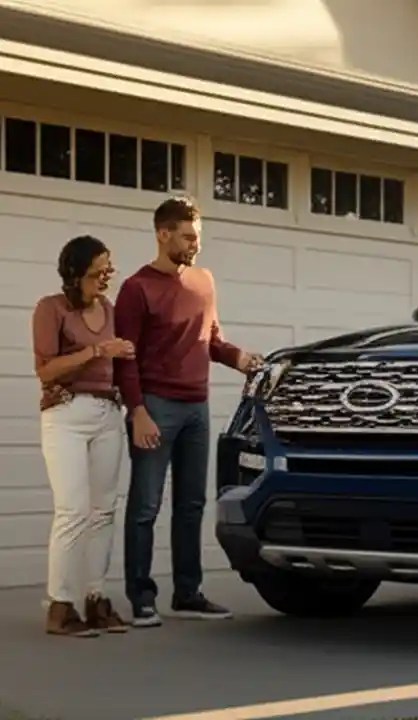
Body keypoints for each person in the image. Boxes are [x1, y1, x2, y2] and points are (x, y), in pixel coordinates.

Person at [114, 196, 263, 627]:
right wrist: (137, 411)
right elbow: (126, 359)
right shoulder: (136, 289)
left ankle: (188, 593)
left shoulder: (203, 281)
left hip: (197, 406)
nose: (195, 245)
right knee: (145, 505)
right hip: (156, 407)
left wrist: (239, 358)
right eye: (187, 237)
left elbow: (211, 339)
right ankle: (142, 598)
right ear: (162, 234)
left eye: (198, 237)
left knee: (192, 504)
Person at [32, 235, 135, 637]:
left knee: (104, 511)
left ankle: (96, 599)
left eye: (109, 268)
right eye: (98, 269)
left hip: (107, 412)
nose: (105, 277)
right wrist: (97, 352)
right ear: (76, 272)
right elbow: (46, 370)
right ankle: (60, 606)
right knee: (72, 511)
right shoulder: (51, 309)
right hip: (66, 415)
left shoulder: (107, 309)